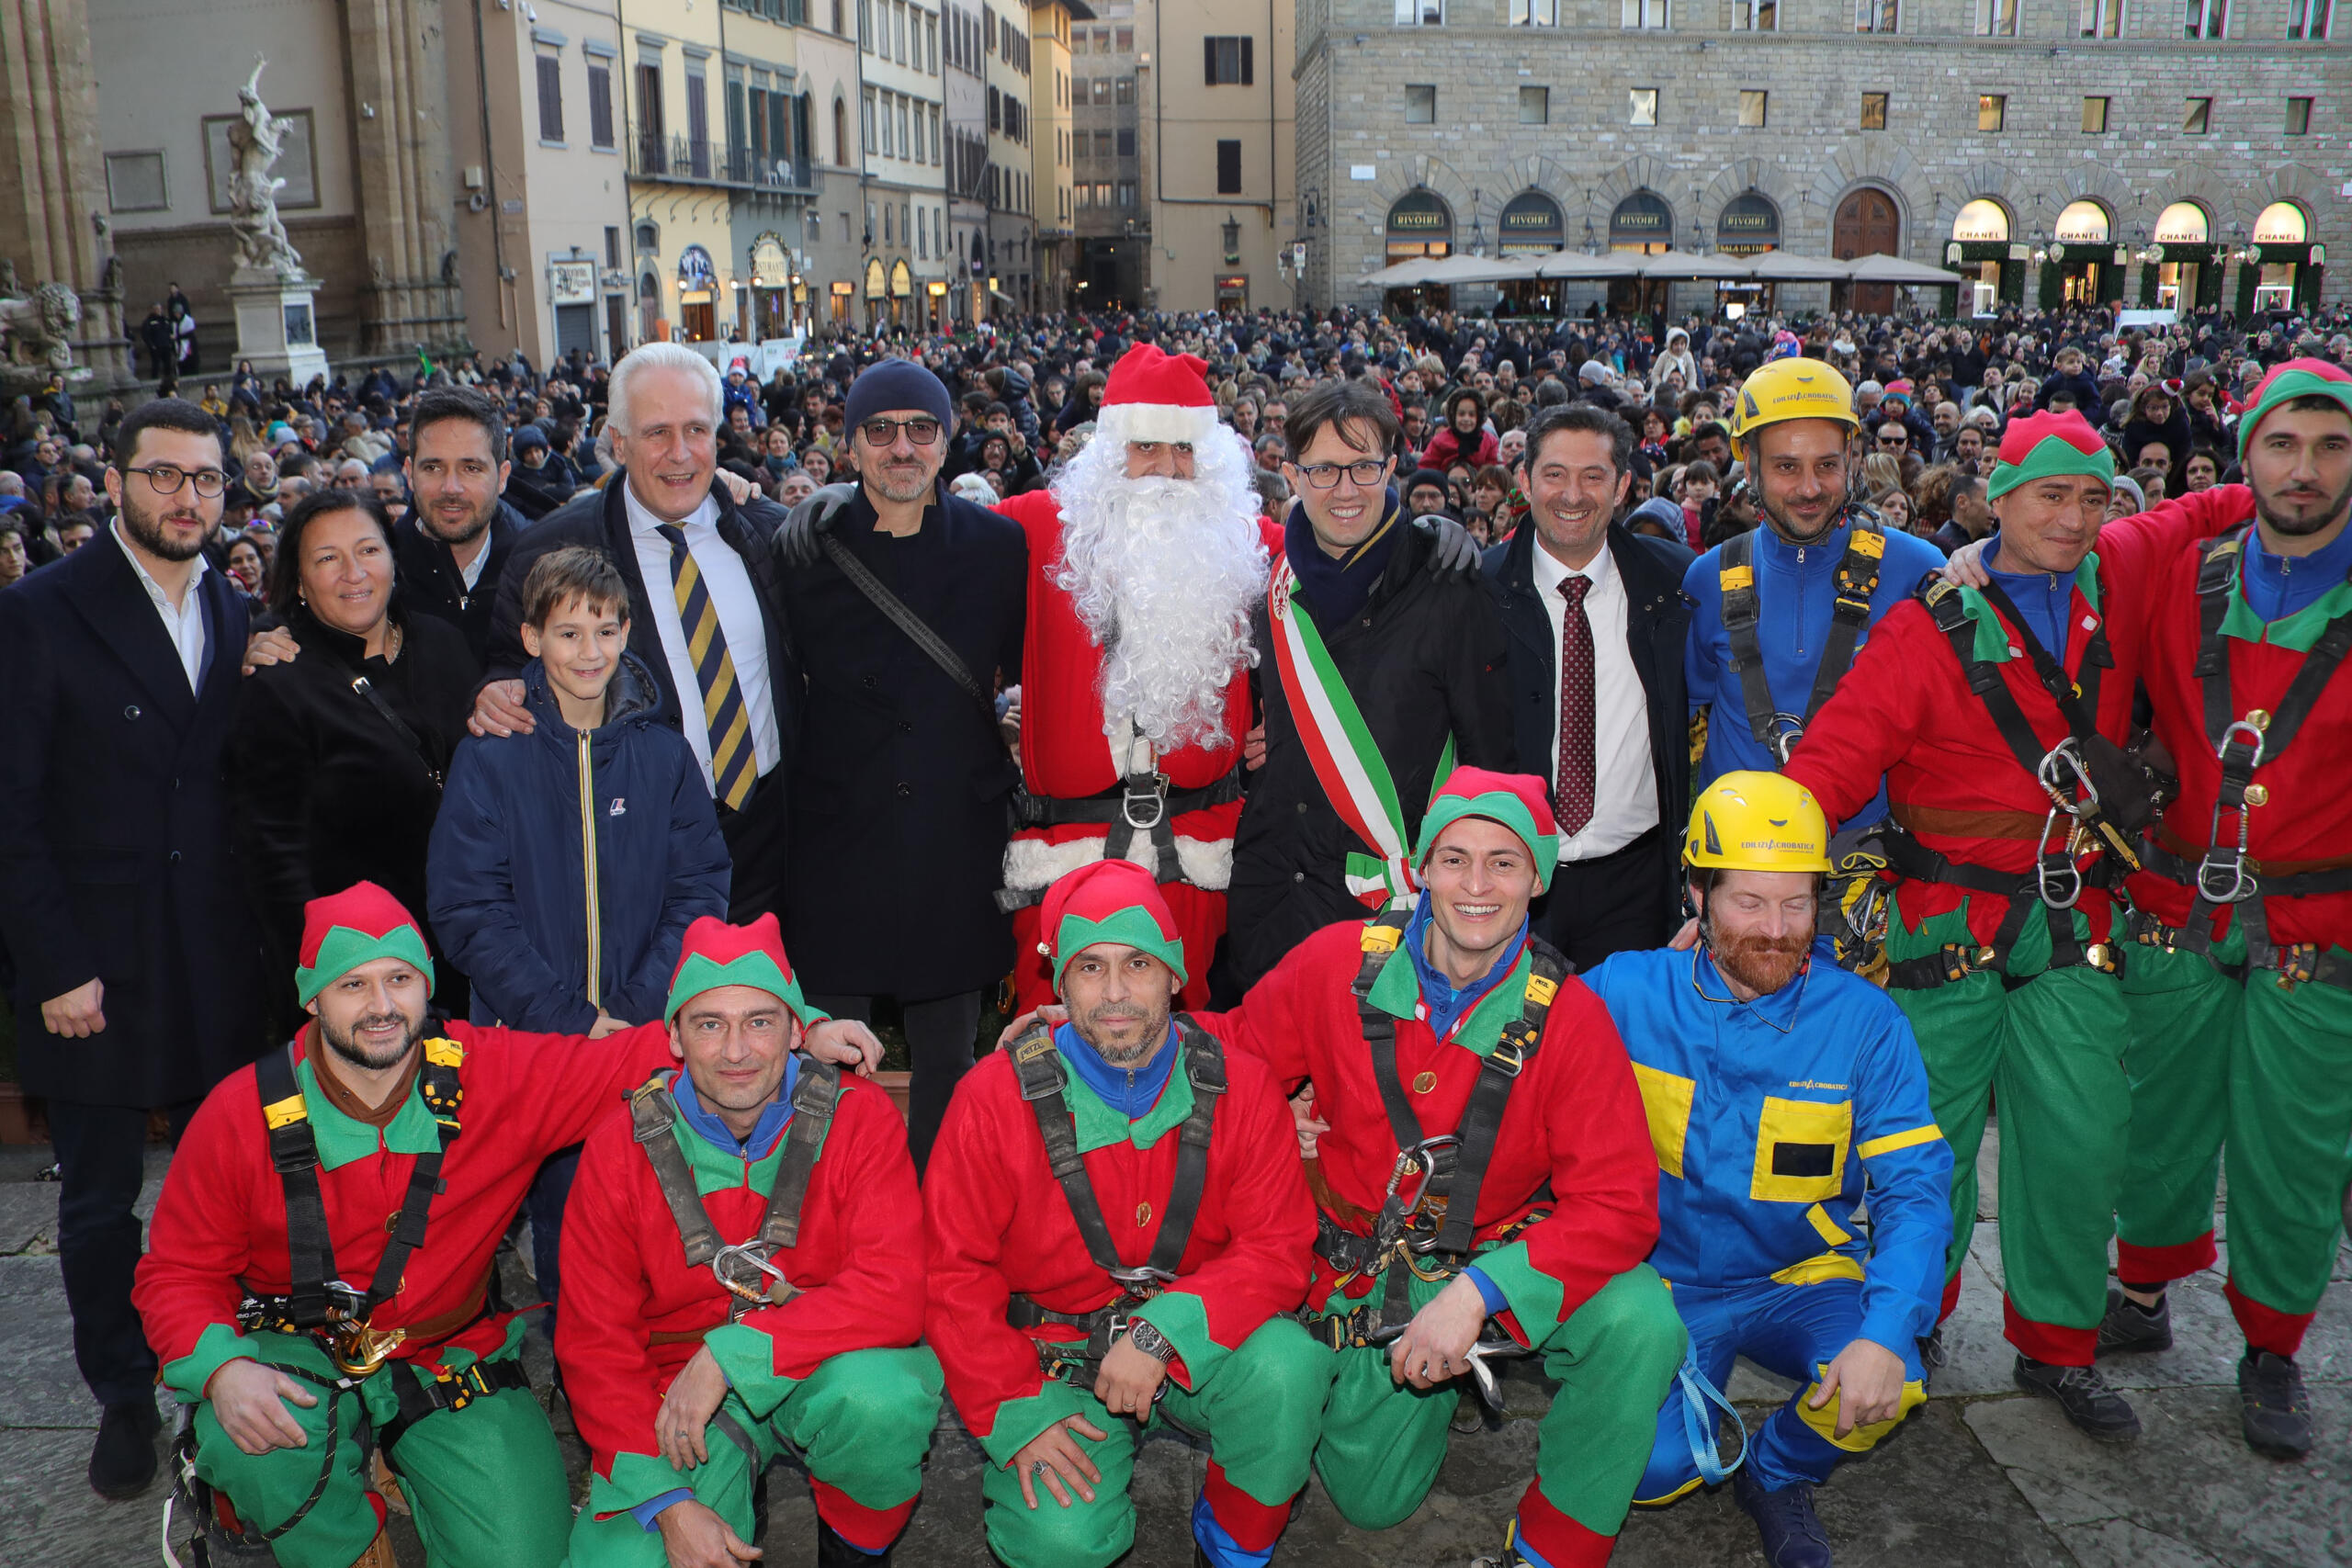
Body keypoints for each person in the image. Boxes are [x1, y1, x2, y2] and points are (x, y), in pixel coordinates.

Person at [132, 884, 876, 1568]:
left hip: (450, 1355)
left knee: (526, 1554)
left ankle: (401, 1460)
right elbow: (173, 1272)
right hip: (296, 1354)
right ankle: (327, 1533)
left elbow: (655, 1049)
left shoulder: (493, 1073)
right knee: (262, 1444)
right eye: (352, 984)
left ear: (428, 984)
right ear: (312, 999)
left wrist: (796, 1026)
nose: (381, 1004)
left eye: (399, 979)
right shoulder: (241, 1111)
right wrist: (221, 1368)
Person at [1191, 767, 1685, 1568]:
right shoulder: (1335, 964)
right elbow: (1226, 1050)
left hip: (1497, 1263)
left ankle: (1554, 1546)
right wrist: (1092, 1034)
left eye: (1504, 861)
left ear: (1539, 879)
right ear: (1421, 869)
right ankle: (1373, 1393)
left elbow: (1622, 1206)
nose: (1477, 884)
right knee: (1371, 1502)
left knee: (1641, 1320)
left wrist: (1479, 1292)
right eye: (1454, 858)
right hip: (1362, 1270)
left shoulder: (1571, 1019)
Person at [1782, 411, 2151, 1440]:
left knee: (2080, 1137)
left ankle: (2058, 1345)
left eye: (2092, 498)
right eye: (2050, 495)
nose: (2073, 518)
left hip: (2072, 916)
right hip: (1941, 919)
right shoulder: (1926, 624)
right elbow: (1832, 762)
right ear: (1998, 494)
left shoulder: (2115, 605)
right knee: (1920, 1142)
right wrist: (1752, 871)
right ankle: (1908, 1321)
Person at [0, 397, 264, 1500]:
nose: (186, 498)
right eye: (163, 477)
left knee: (229, 1194)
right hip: (94, 967)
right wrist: (54, 965)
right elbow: (9, 808)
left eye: (204, 479)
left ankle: (224, 1380)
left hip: (214, 960)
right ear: (113, 483)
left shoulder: (243, 613)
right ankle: (121, 1395)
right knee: (102, 1204)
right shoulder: (40, 612)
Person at [2088, 360, 2352, 1461]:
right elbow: (2082, 547)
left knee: (2294, 1149)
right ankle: (2143, 1298)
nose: (2305, 469)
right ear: (2242, 453)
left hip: (2318, 931)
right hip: (2176, 906)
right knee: (2156, 1124)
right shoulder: (2179, 567)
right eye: (2281, 444)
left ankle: (2274, 1344)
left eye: (2332, 447)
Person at [1589, 773, 1951, 1568]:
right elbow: (1505, 1036)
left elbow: (1915, 1190)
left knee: (1890, 1378)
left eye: (1797, 903)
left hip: (1802, 1275)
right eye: (1748, 902)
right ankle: (1686, 1402)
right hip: (1662, 1287)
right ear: (1696, 893)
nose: (1777, 929)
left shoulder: (1864, 1023)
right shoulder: (1624, 990)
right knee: (1647, 1477)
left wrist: (1888, 1331)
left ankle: (1779, 1468)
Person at [925, 861, 1322, 1568]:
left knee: (1289, 1368)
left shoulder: (1245, 1085)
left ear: (1175, 975)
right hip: (1051, 1362)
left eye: (1138, 963)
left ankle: (1230, 1544)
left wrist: (1163, 1332)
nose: (1114, 993)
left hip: (1199, 1340)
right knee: (1058, 1543)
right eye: (1089, 967)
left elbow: (1280, 1247)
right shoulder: (991, 1098)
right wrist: (1013, 1412)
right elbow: (953, 1272)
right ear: (1060, 984)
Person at [555, 913, 942, 1567]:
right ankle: (722, 1490)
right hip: (670, 1393)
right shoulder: (617, 1146)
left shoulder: (861, 1119)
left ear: (799, 1030)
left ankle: (850, 1545)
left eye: (760, 1021)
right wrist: (669, 1503)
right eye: (710, 1024)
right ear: (674, 1037)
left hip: (819, 1365)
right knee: (622, 1560)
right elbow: (595, 1345)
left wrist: (734, 1355)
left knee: (882, 1402)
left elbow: (895, 1288)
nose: (737, 1050)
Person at [429, 546, 731, 1312]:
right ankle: (576, 1370)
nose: (588, 651)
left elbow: (699, 887)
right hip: (534, 1041)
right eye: (567, 633)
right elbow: (468, 907)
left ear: (627, 630)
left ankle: (652, 1366)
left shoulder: (663, 755)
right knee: (557, 1213)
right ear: (531, 638)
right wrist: (569, 1019)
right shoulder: (490, 756)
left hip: (640, 1031)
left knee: (650, 1202)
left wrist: (631, 1011)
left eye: (603, 630)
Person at [773, 358, 1026, 1171]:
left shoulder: (999, 545)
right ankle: (832, 1218)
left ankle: (938, 1220)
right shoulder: (802, 546)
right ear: (849, 446)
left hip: (954, 831)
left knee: (949, 1058)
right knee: (828, 1059)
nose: (902, 447)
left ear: (948, 441)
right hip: (839, 832)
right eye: (880, 431)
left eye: (921, 429)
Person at [987, 344, 1275, 1015]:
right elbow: (931, 545)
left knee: (1192, 1058)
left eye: (1184, 451)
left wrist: (1429, 539)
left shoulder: (1242, 541)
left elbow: (1340, 588)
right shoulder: (1033, 525)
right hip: (1065, 860)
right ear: (1112, 453)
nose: (1167, 470)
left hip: (1198, 863)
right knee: (1054, 1064)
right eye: (1147, 446)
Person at [476, 343, 797, 925]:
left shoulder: (769, 533)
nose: (681, 454)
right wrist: (498, 690)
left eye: (697, 429)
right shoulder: (551, 550)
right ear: (618, 443)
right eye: (657, 433)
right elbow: (508, 663)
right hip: (639, 854)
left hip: (772, 836)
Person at [1224, 379, 1509, 997]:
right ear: (1294, 475)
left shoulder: (1448, 585)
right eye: (1324, 469)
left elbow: (1492, 758)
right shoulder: (1265, 587)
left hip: (1387, 907)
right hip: (1270, 900)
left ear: (1393, 468)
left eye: (1363, 467)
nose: (1346, 490)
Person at [226, 490, 476, 1037]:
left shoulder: (445, 645)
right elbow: (274, 862)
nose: (353, 573)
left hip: (470, 951)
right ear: (298, 581)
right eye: (327, 559)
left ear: (392, 557)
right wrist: (326, 981)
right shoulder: (281, 683)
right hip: (361, 971)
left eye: (367, 550)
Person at [1484, 403, 1693, 971]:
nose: (1571, 495)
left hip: (1638, 886)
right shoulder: (1475, 590)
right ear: (1524, 481)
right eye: (1554, 474)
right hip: (1507, 884)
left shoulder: (1677, 583)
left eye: (1593, 476)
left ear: (1623, 486)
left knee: (1622, 1052)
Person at [396, 388, 529, 670]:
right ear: (409, 473)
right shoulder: (377, 574)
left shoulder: (544, 564)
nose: (451, 488)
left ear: (502, 476)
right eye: (433, 468)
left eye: (471, 468)